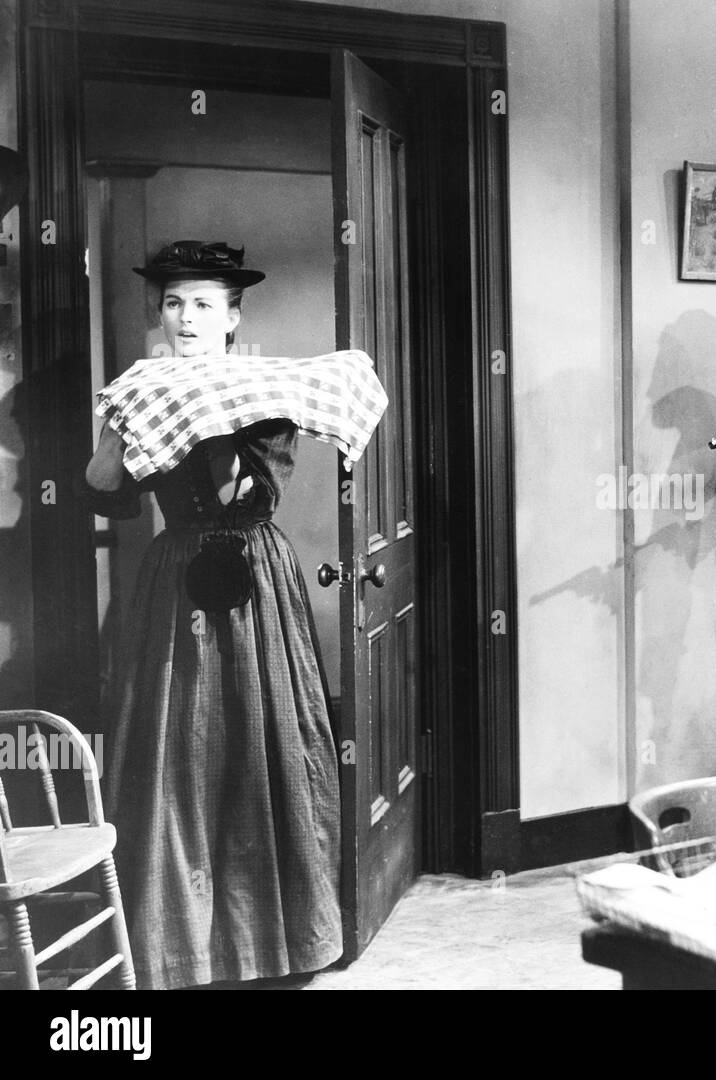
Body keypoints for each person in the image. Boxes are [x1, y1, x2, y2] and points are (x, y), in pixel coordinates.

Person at [81, 241, 343, 988]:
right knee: (178, 754)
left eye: (202, 304)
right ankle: (178, 944)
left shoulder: (267, 392)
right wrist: (117, 428)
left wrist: (215, 415)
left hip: (254, 574)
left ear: (233, 316)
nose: (185, 317)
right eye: (172, 303)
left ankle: (278, 940)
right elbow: (106, 488)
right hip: (176, 577)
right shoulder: (143, 389)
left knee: (261, 745)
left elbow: (240, 496)